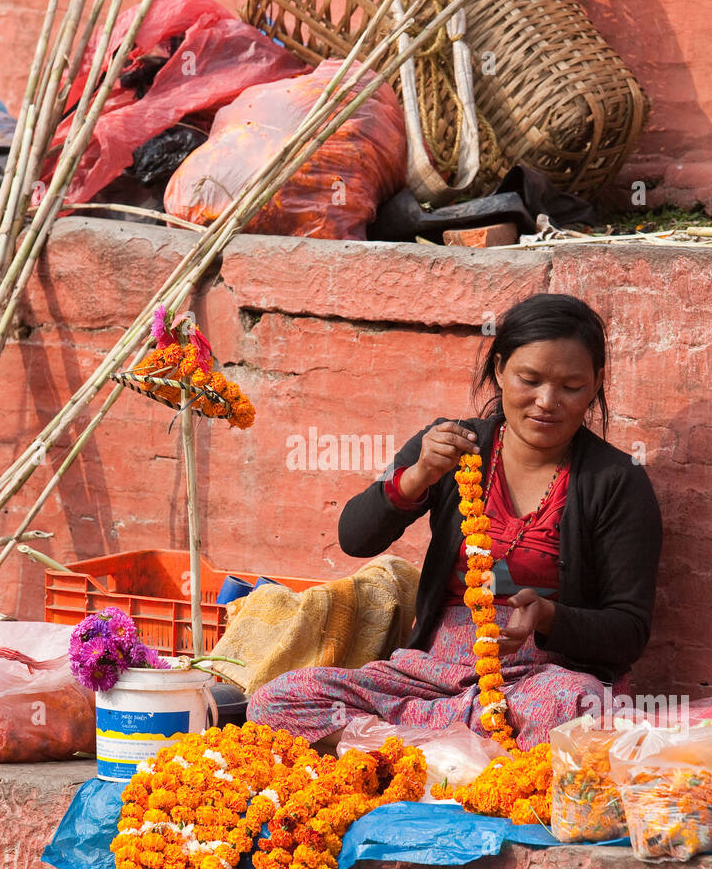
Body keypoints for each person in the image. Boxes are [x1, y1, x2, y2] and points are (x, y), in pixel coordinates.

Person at [247, 293, 662, 750]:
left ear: (596, 383)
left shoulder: (618, 481)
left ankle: (417, 750)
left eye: (571, 386)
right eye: (530, 379)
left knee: (573, 704)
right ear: (500, 369)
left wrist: (547, 616)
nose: (547, 402)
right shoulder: (452, 446)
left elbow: (628, 633)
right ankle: (443, 750)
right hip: (432, 675)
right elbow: (355, 537)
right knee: (279, 699)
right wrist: (418, 476)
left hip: (539, 679)